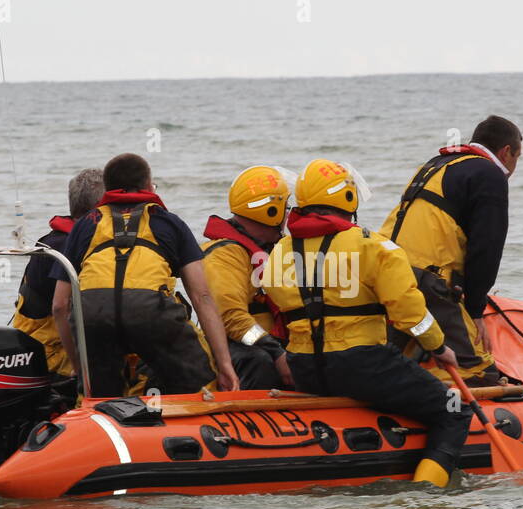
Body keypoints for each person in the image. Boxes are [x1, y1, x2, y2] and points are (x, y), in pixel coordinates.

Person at [261, 158, 473, 487]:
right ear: (347, 198)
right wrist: (438, 347)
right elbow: (409, 313)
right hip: (361, 366)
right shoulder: (373, 246)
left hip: (304, 368)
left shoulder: (278, 253)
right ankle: (428, 491)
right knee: (454, 410)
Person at [51, 153, 239, 397]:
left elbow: (59, 306)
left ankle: (96, 420)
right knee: (199, 383)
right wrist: (225, 365)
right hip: (150, 313)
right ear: (149, 186)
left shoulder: (86, 224)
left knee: (100, 397)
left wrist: (81, 370)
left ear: (107, 189)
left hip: (93, 314)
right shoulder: (169, 223)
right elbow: (201, 296)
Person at [380, 114, 523, 385]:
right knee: (478, 372)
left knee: (387, 356)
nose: (515, 166)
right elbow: (486, 248)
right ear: (506, 153)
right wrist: (476, 309)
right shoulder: (490, 174)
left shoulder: (436, 164)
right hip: (427, 281)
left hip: (386, 270)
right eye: (517, 158)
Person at [201, 166, 293, 390]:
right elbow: (230, 317)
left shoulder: (271, 251)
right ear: (270, 211)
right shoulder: (225, 254)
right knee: (258, 361)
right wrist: (275, 351)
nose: (288, 215)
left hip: (270, 341)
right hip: (239, 346)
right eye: (285, 208)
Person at [11, 168, 102, 377]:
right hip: (47, 351)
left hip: (46, 343)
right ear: (99, 208)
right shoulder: (68, 246)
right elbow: (64, 309)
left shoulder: (58, 240)